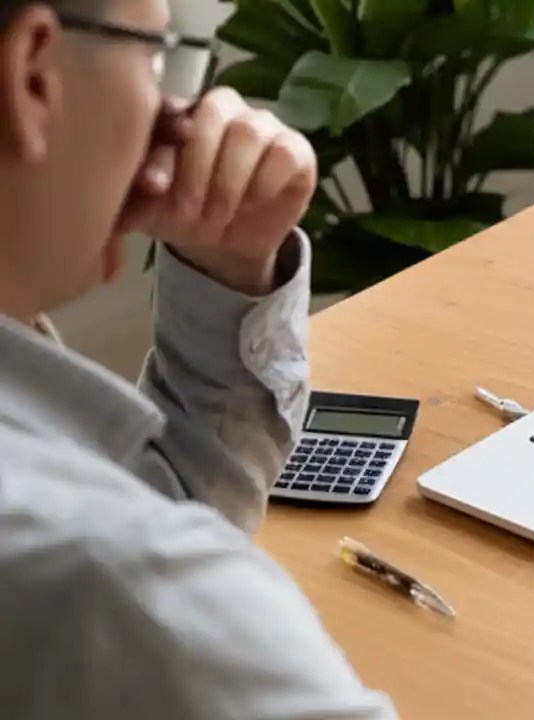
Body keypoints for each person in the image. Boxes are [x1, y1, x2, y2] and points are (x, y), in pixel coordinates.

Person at [0, 0, 398, 716]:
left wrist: (231, 267)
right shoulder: (128, 592)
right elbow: (135, 568)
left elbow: (145, 512)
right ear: (32, 76)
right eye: (158, 56)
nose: (175, 114)